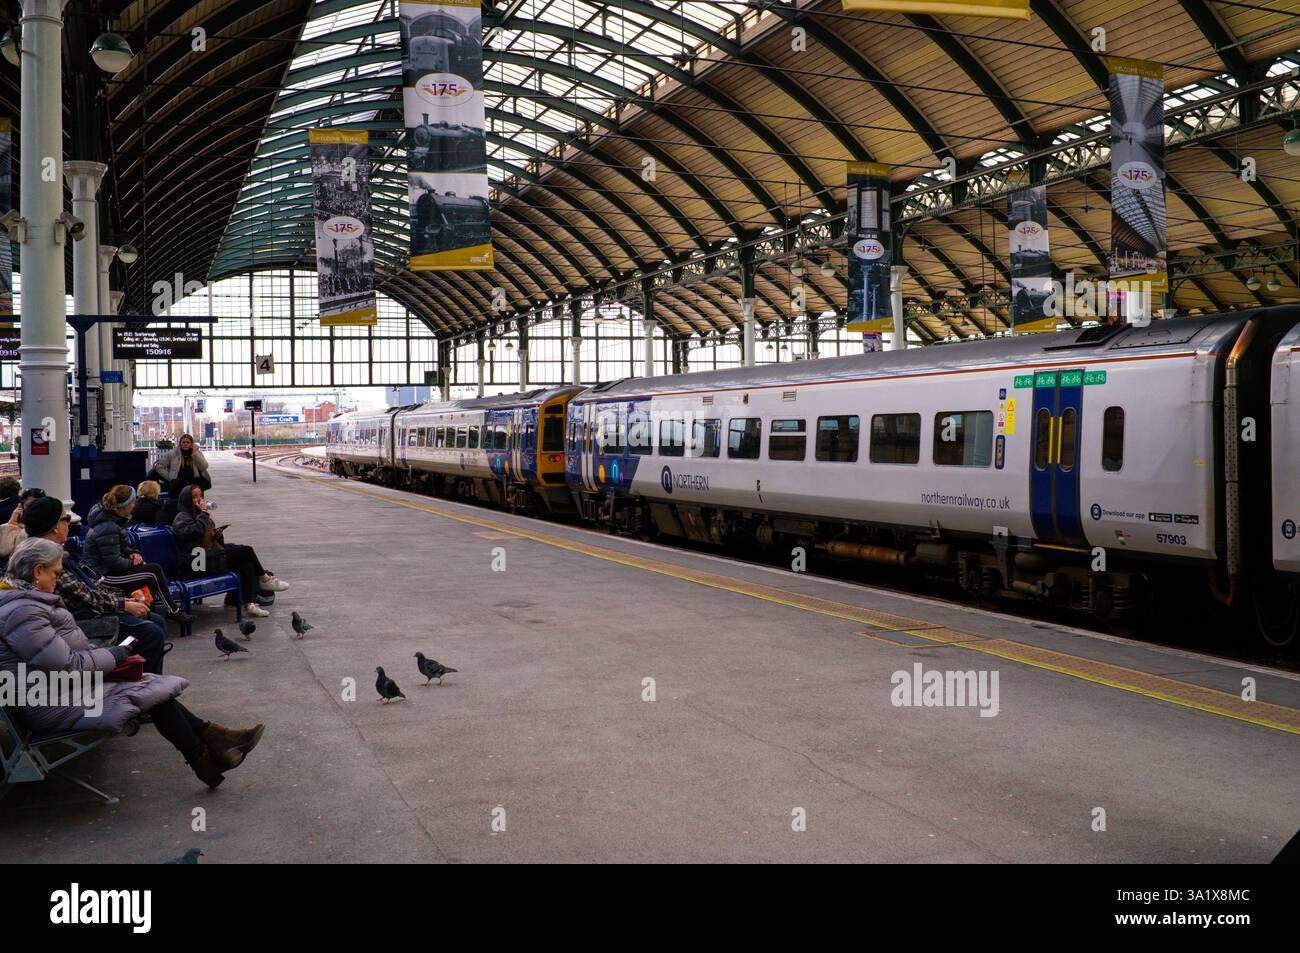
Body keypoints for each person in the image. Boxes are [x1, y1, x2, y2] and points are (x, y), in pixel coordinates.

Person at [0, 537, 264, 788]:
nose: (58, 581)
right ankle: (209, 752)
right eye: (56, 574)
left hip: (57, 692)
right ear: (37, 571)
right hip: (52, 704)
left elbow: (63, 657)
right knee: (147, 691)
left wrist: (108, 656)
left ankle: (211, 748)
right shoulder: (24, 612)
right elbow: (68, 665)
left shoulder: (23, 605)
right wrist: (114, 655)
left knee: (147, 687)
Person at [23, 496, 170, 674]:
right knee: (151, 633)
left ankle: (144, 679)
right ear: (53, 526)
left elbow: (88, 586)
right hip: (80, 622)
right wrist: (123, 604)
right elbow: (82, 595)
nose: (69, 523)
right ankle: (142, 683)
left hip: (85, 613)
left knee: (154, 620)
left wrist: (124, 599)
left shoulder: (54, 552)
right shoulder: (45, 557)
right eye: (65, 518)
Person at [172, 484, 287, 619]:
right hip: (196, 562)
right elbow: (194, 532)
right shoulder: (182, 517)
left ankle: (249, 604)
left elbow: (210, 541)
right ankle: (265, 579)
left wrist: (216, 533)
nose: (199, 500)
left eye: (201, 496)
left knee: (246, 564)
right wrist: (203, 514)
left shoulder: (200, 515)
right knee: (246, 551)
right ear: (186, 499)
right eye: (194, 497)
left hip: (206, 556)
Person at [82, 485, 186, 617]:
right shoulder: (107, 527)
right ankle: (173, 611)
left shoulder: (115, 520)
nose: (134, 506)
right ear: (125, 506)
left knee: (150, 578)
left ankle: (144, 615)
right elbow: (114, 562)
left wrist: (133, 553)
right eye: (133, 502)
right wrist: (134, 563)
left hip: (110, 570)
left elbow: (123, 548)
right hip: (103, 576)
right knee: (153, 571)